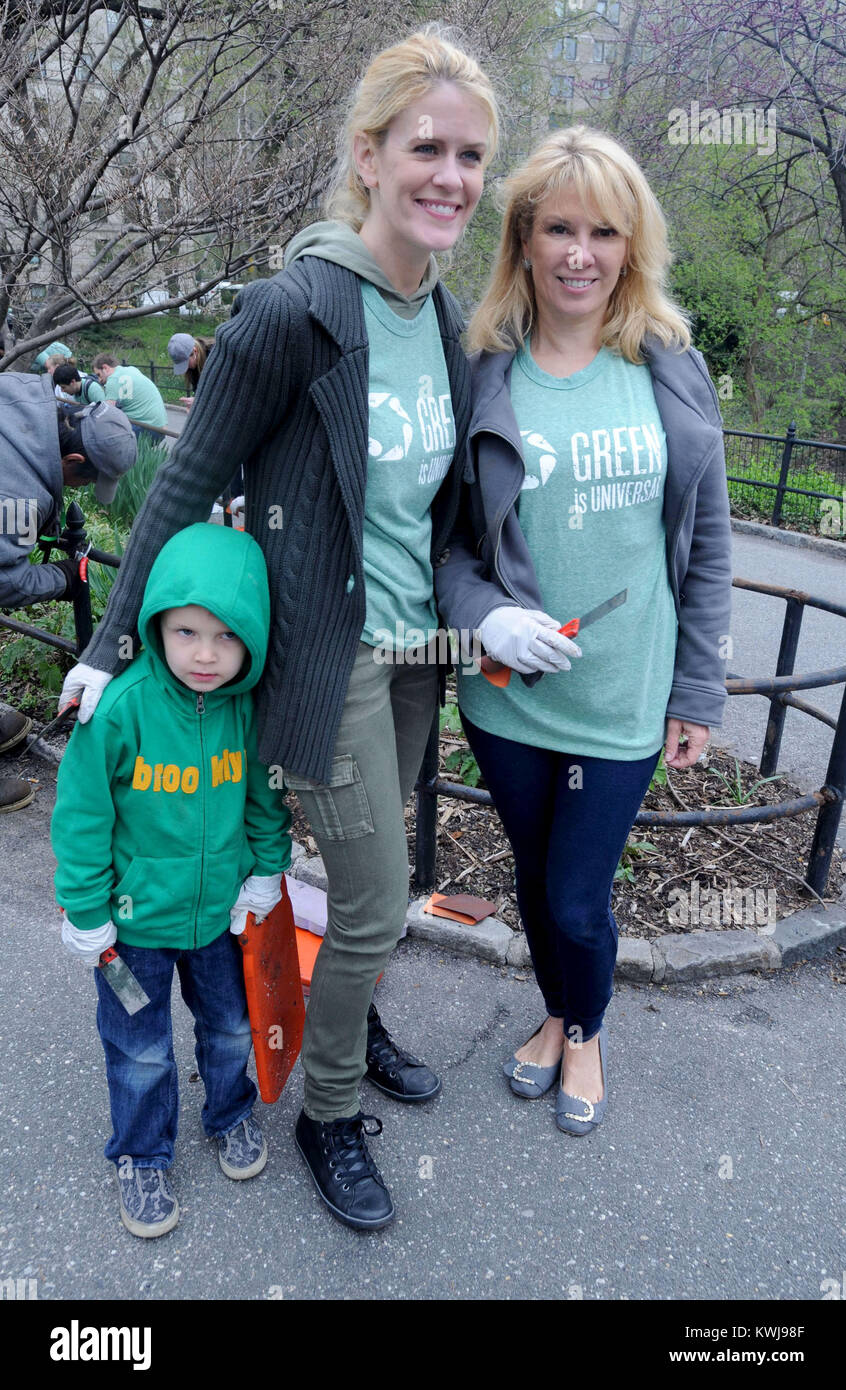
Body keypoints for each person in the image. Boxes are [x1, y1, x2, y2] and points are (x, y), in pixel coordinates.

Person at [60, 26, 499, 1231]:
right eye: (424, 147)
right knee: (371, 899)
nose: (449, 176)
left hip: (420, 655)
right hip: (328, 659)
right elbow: (183, 476)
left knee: (378, 889)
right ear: (367, 154)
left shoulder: (447, 315)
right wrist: (104, 649)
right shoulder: (293, 312)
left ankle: (354, 1019)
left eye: (468, 154)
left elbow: (435, 506)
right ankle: (327, 1111)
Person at [435, 126, 732, 1136]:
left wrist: (696, 692)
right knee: (530, 875)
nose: (577, 252)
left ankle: (586, 1027)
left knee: (573, 897)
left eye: (601, 231)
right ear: (520, 239)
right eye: (556, 227)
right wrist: (490, 618)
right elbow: (446, 549)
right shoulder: (482, 367)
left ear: (629, 243)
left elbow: (708, 545)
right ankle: (555, 1013)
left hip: (620, 697)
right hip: (509, 699)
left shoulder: (667, 364)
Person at [51, 523, 292, 1237]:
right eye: (186, 631)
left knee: (228, 1028)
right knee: (139, 1047)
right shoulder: (120, 709)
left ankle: (231, 1113)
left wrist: (267, 871)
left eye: (226, 635)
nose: (205, 654)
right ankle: (143, 1154)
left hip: (219, 918)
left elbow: (263, 797)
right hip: (131, 934)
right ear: (155, 622)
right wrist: (85, 910)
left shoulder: (245, 711)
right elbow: (83, 815)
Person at [0, 375, 136, 812]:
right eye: (82, 482)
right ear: (73, 458)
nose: (78, 493)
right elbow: (5, 583)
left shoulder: (20, 390)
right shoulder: (20, 497)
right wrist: (63, 577)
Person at [91, 354, 168, 433]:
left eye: (99, 375)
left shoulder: (113, 379)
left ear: (105, 368)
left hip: (145, 428)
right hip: (161, 426)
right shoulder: (132, 369)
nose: (99, 380)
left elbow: (107, 412)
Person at [167, 333, 215, 408]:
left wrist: (199, 402)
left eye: (186, 363)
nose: (186, 368)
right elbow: (199, 392)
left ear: (194, 352)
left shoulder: (215, 359)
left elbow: (222, 394)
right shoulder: (193, 368)